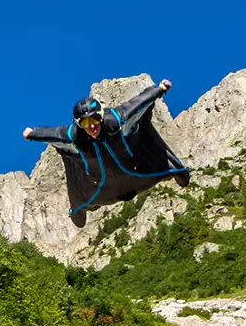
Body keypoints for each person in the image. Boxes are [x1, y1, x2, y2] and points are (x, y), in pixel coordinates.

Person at [23, 78, 190, 227]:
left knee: (164, 169)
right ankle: (78, 208)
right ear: (79, 125)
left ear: (101, 117)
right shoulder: (75, 137)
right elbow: (52, 134)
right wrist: (32, 134)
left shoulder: (117, 121)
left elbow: (139, 102)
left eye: (94, 119)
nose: (92, 126)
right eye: (86, 123)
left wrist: (160, 89)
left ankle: (175, 170)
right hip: (105, 189)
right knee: (86, 201)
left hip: (139, 174)